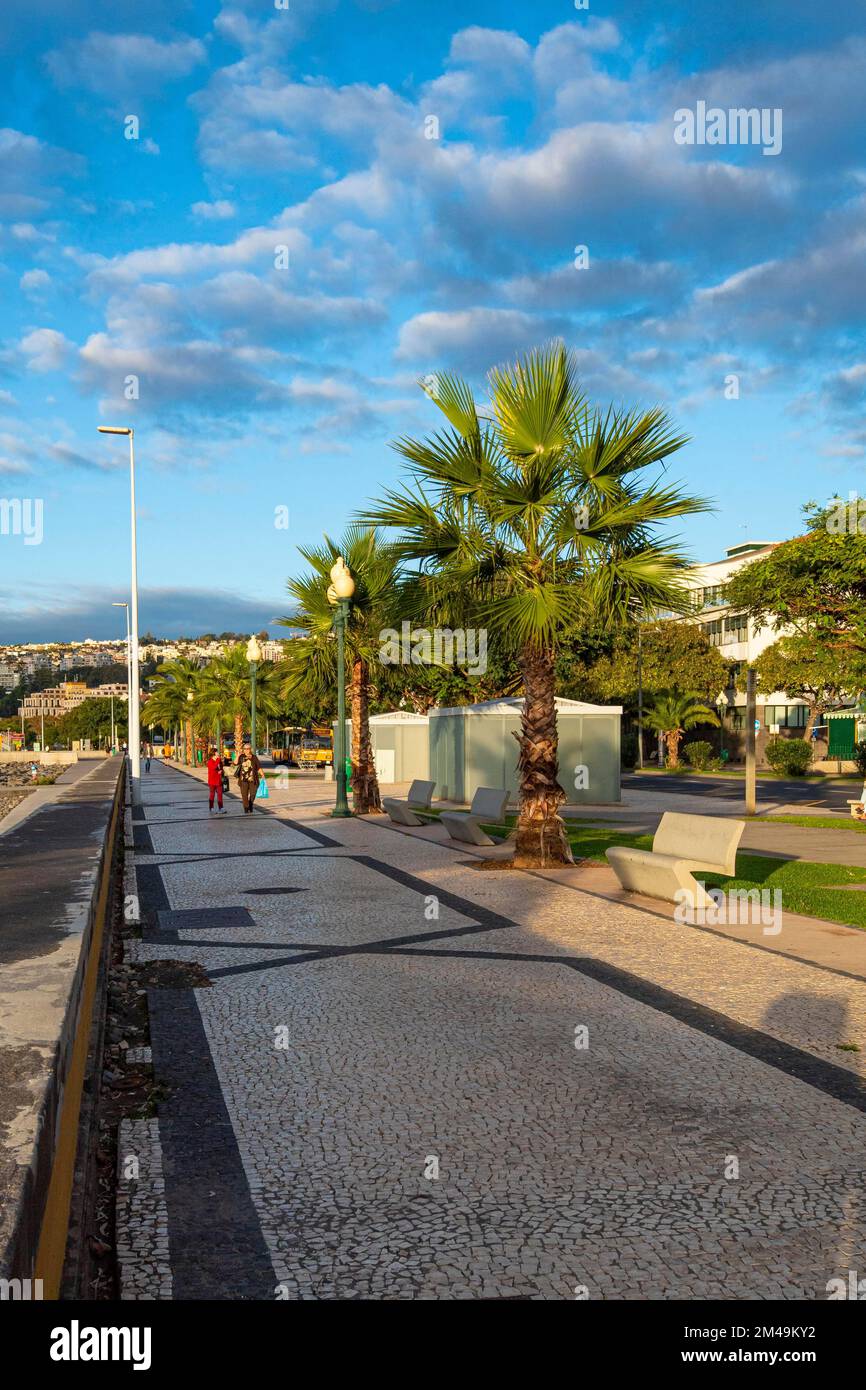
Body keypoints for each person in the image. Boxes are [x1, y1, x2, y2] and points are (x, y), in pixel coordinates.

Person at [234, 742, 263, 814]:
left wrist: (262, 775)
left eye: (248, 749)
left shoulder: (254, 757)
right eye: (245, 749)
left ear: (250, 749)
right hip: (243, 780)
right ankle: (246, 808)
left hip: (253, 779)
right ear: (243, 750)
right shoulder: (241, 757)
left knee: (253, 794)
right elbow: (235, 763)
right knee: (244, 795)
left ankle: (250, 804)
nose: (247, 750)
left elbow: (258, 767)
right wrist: (238, 756)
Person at [207, 746, 227, 814]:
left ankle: (221, 808)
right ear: (213, 754)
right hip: (212, 781)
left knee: (220, 794)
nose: (218, 754)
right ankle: (211, 808)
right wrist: (218, 760)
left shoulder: (219, 761)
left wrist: (221, 771)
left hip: (219, 781)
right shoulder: (210, 761)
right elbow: (214, 767)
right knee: (212, 795)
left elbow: (221, 768)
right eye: (217, 752)